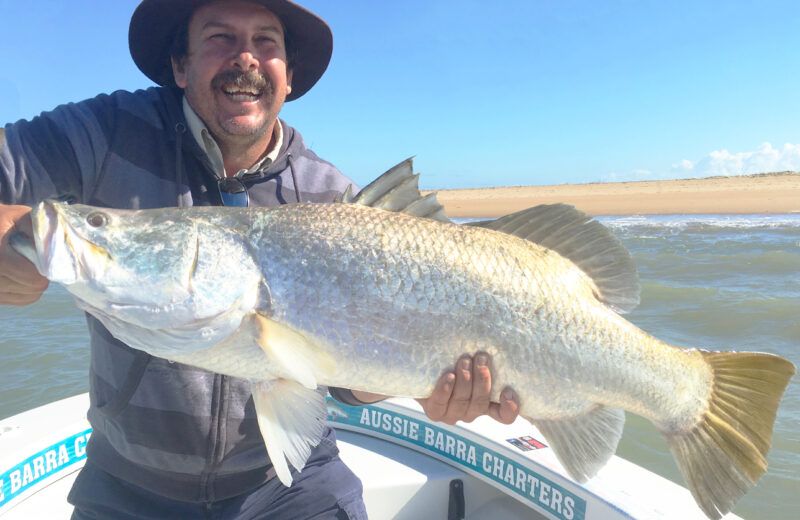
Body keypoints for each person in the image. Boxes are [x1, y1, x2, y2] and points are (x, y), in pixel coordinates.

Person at [0, 1, 519, 518]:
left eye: (266, 41)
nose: (245, 57)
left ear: (288, 76)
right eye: (220, 36)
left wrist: (422, 378)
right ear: (180, 65)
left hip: (287, 482)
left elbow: (342, 379)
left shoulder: (335, 202)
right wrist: (7, 233)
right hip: (128, 483)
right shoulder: (107, 132)